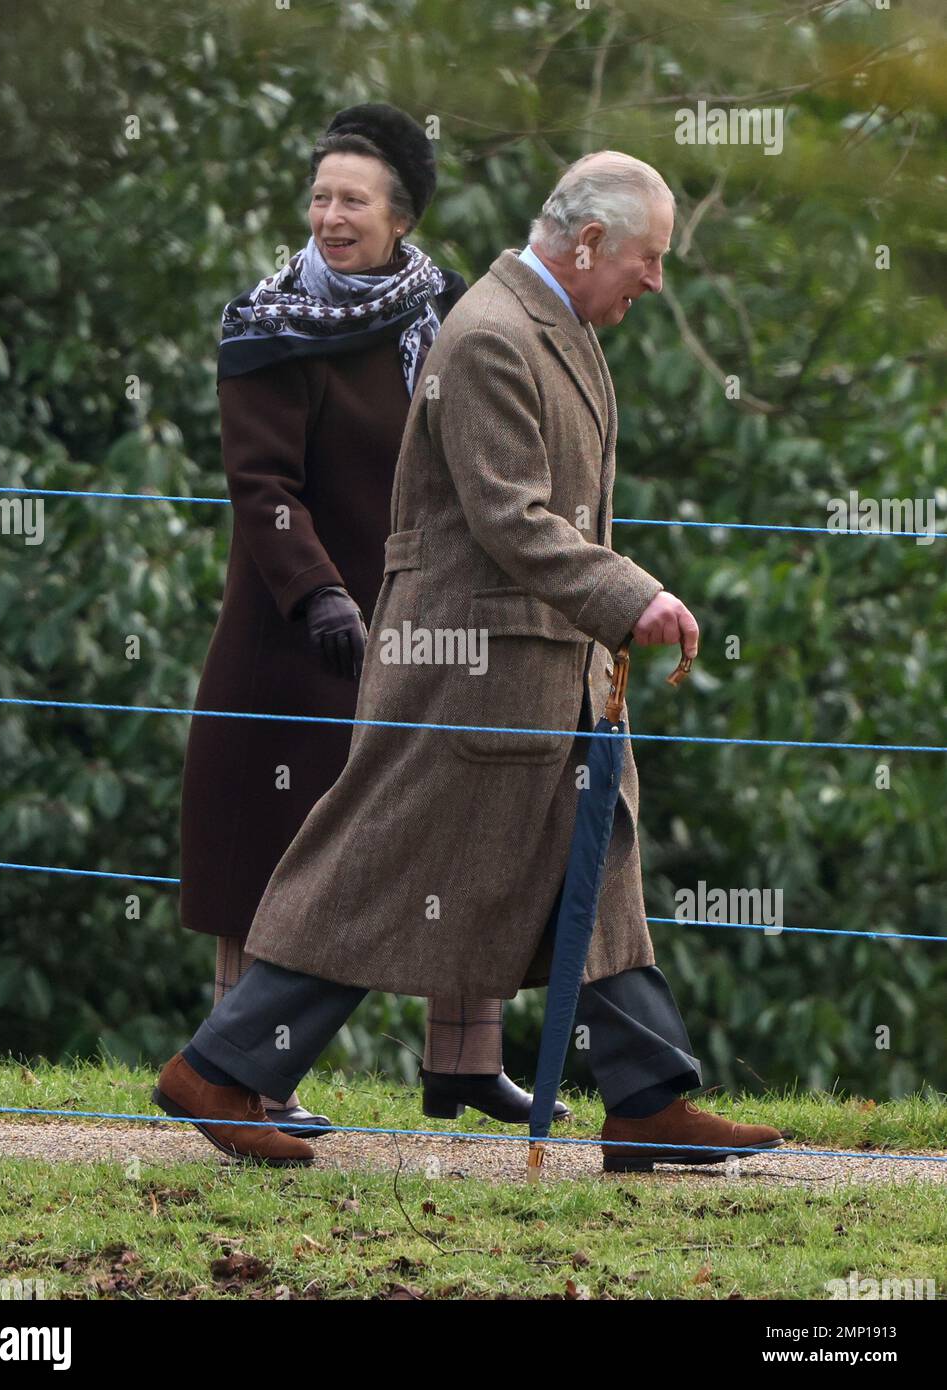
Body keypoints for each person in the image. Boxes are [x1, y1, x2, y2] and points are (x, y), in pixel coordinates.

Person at [157, 149, 786, 1171]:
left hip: (544, 667)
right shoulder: (493, 336)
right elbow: (512, 518)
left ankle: (644, 1098)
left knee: (603, 860)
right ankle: (216, 1070)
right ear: (587, 244)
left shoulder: (556, 326)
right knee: (369, 874)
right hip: (469, 675)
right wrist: (634, 596)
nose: (655, 280)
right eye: (649, 257)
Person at [178, 102, 568, 1141]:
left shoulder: (454, 311)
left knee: (460, 824)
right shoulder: (267, 326)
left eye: (352, 198)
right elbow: (261, 485)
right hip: (296, 628)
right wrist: (318, 596)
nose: (329, 215)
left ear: (401, 216)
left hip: (430, 622)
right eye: (318, 196)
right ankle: (244, 1075)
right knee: (270, 852)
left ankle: (464, 1063)